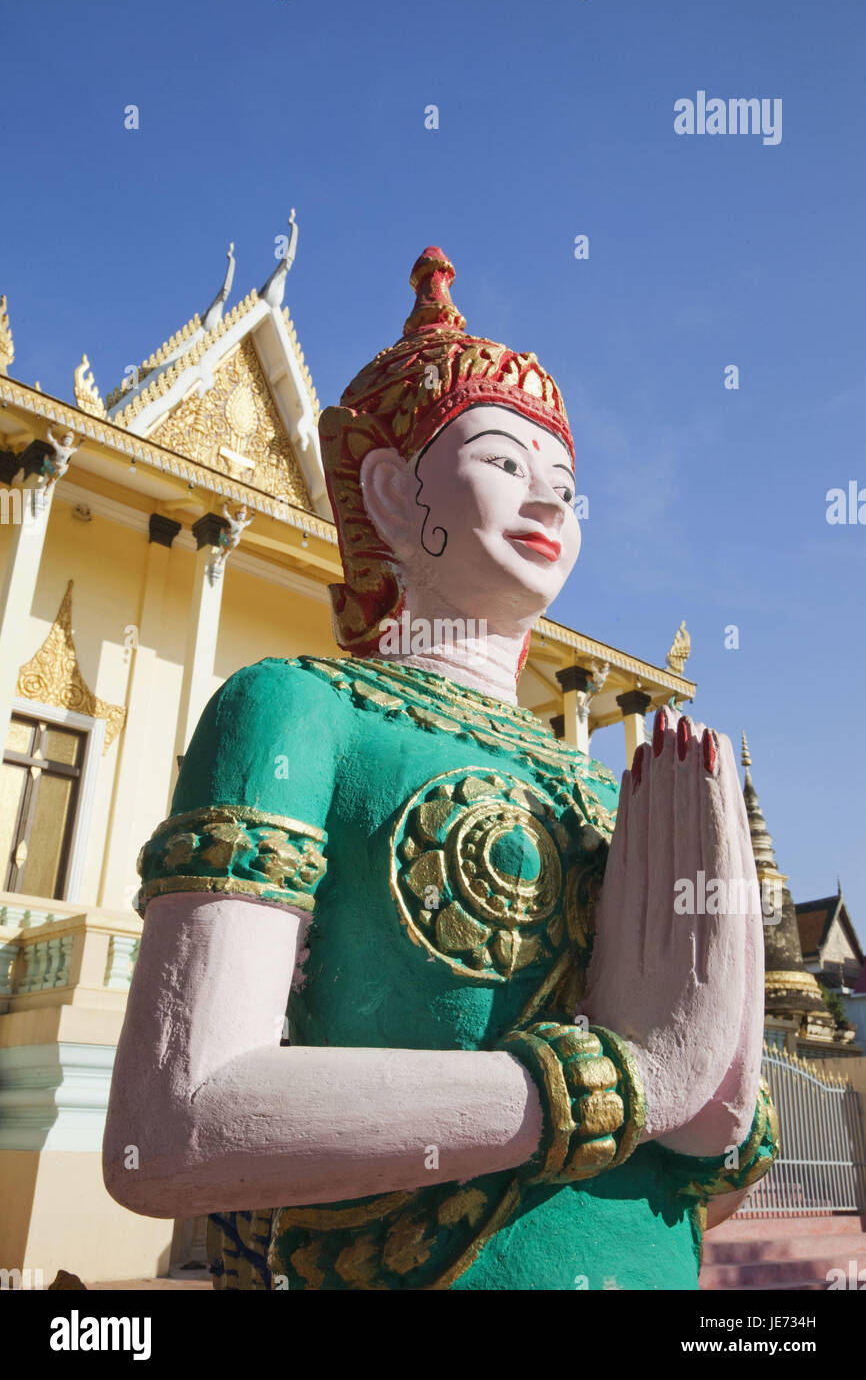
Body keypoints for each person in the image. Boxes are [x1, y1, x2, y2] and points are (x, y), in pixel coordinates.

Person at [103, 248, 777, 1290]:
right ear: (389, 490)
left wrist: (723, 1081)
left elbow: (695, 1181)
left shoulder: (609, 792)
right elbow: (170, 1121)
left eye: (564, 485)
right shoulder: (301, 708)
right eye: (504, 463)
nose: (549, 504)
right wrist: (608, 1080)